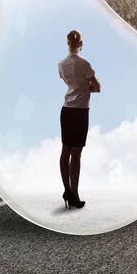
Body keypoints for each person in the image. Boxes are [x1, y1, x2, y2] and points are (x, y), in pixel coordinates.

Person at [58, 29, 100, 209]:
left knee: (65, 150)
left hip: (66, 110)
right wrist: (85, 88)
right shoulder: (85, 64)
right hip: (80, 111)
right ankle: (74, 194)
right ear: (81, 44)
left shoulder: (61, 64)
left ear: (68, 43)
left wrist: (78, 87)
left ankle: (67, 191)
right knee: (76, 154)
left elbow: (69, 84)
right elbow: (97, 88)